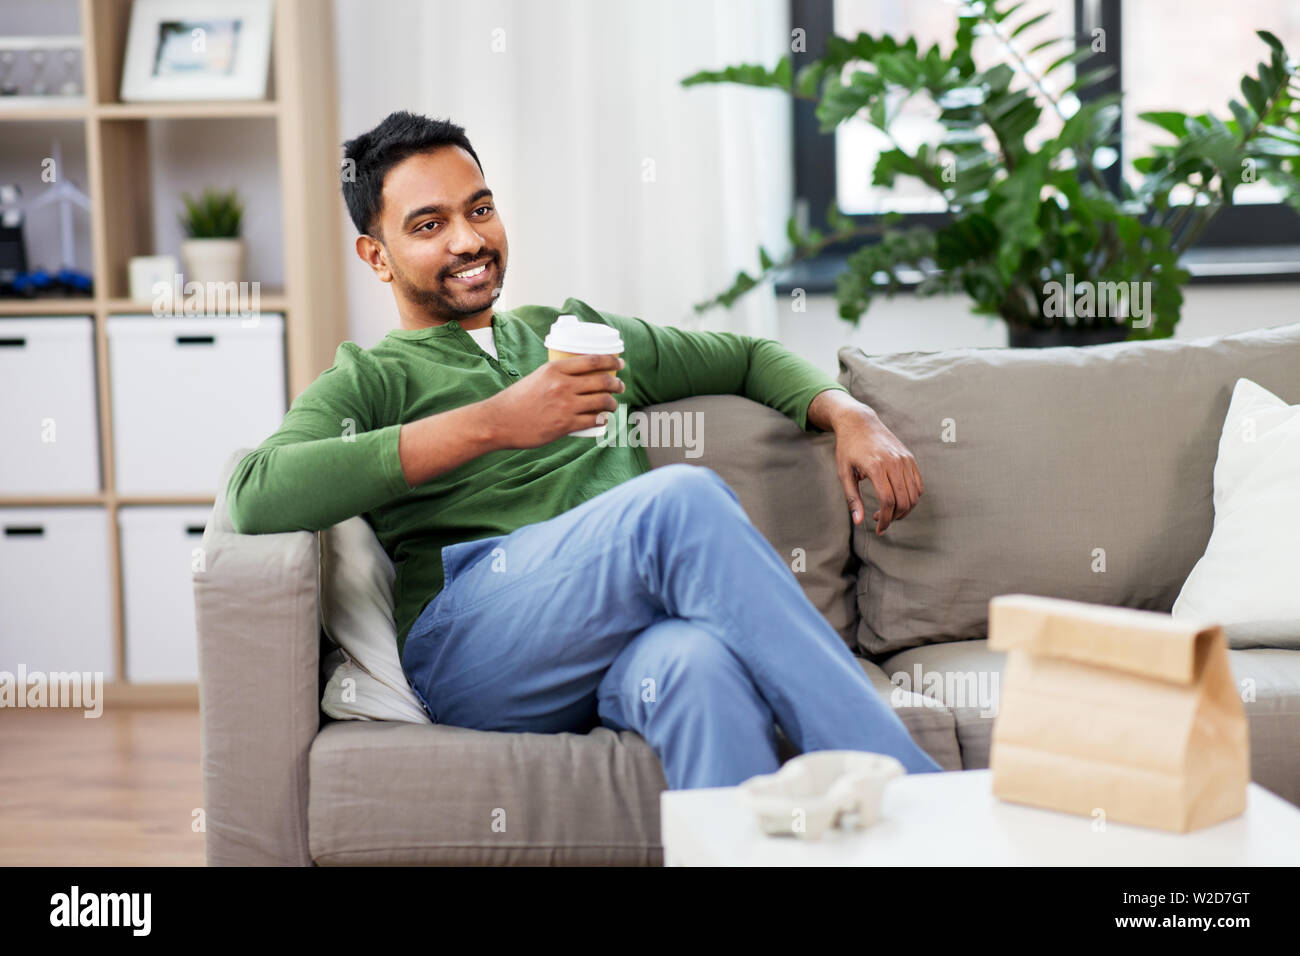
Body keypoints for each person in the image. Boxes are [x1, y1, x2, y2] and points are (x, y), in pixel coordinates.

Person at [226, 110, 941, 788]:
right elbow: (257, 493)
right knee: (679, 502)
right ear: (377, 257)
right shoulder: (371, 377)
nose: (469, 241)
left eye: (479, 209)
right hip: (474, 648)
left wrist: (848, 413)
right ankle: (912, 796)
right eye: (428, 225)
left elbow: (747, 357)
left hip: (611, 643)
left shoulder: (572, 332)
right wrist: (496, 422)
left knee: (697, 666)